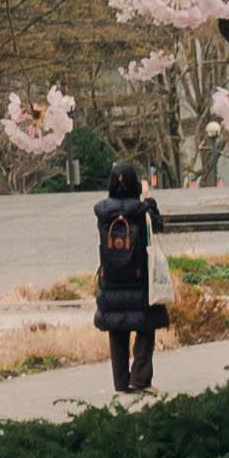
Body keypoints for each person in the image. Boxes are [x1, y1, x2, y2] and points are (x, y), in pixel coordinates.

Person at [92, 161, 159, 393]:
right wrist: (148, 200)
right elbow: (157, 227)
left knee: (117, 330)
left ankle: (121, 382)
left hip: (111, 278)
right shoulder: (141, 211)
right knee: (146, 326)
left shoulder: (102, 212)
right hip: (139, 280)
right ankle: (140, 379)